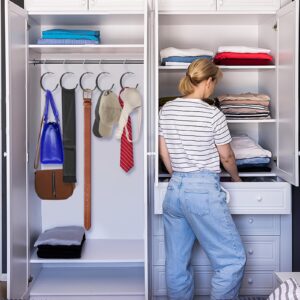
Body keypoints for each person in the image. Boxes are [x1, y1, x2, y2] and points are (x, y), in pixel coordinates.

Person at [159, 58, 246, 300]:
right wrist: (237, 179)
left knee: (177, 263)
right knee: (231, 260)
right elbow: (227, 156)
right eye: (214, 83)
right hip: (203, 191)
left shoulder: (167, 109)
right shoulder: (212, 114)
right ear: (208, 82)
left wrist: (177, 174)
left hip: (175, 190)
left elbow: (163, 150)